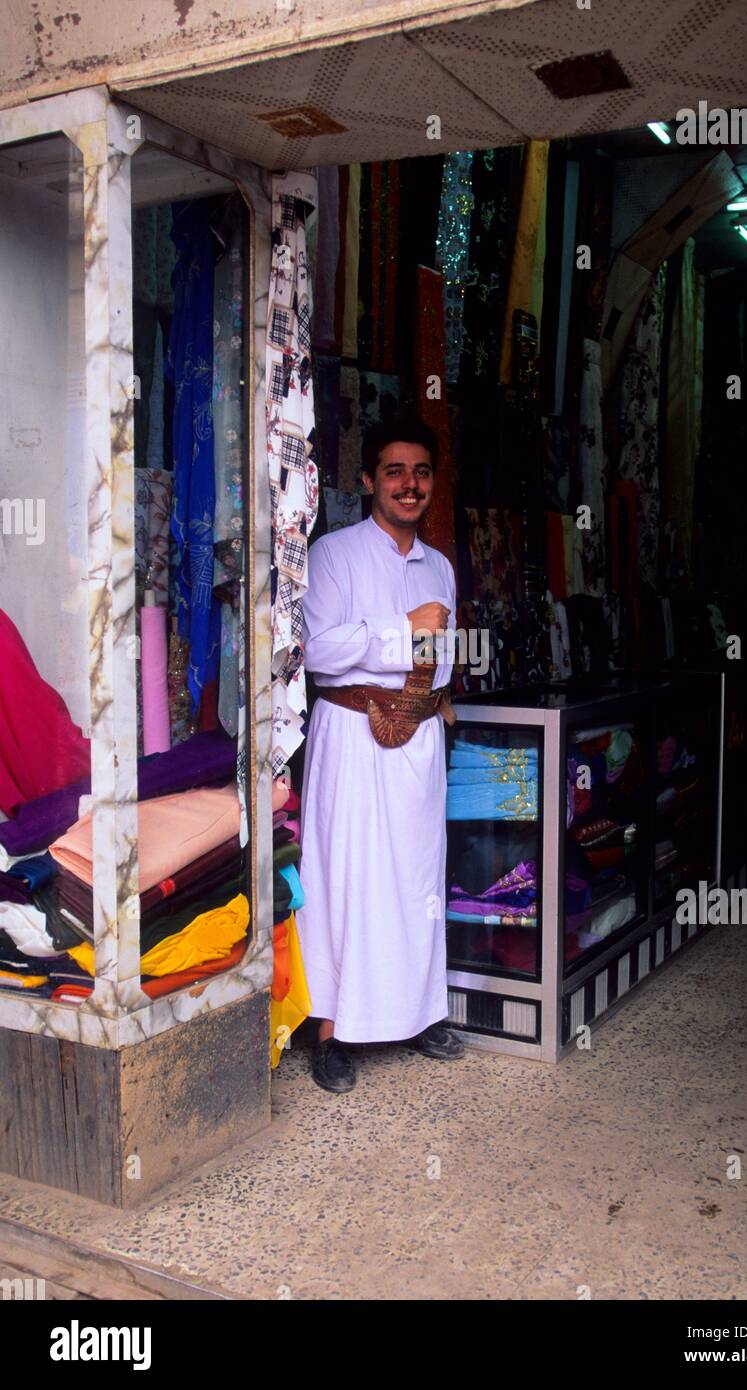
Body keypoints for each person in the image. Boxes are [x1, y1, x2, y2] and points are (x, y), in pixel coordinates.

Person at [297, 418, 465, 1092]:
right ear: (367, 480)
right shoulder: (333, 555)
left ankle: (420, 1015)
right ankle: (331, 1031)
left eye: (420, 472)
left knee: (415, 880)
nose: (408, 484)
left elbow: (442, 655)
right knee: (345, 877)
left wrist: (431, 686)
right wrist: (402, 631)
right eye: (393, 471)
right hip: (351, 737)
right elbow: (316, 653)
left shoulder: (441, 567)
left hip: (416, 738)